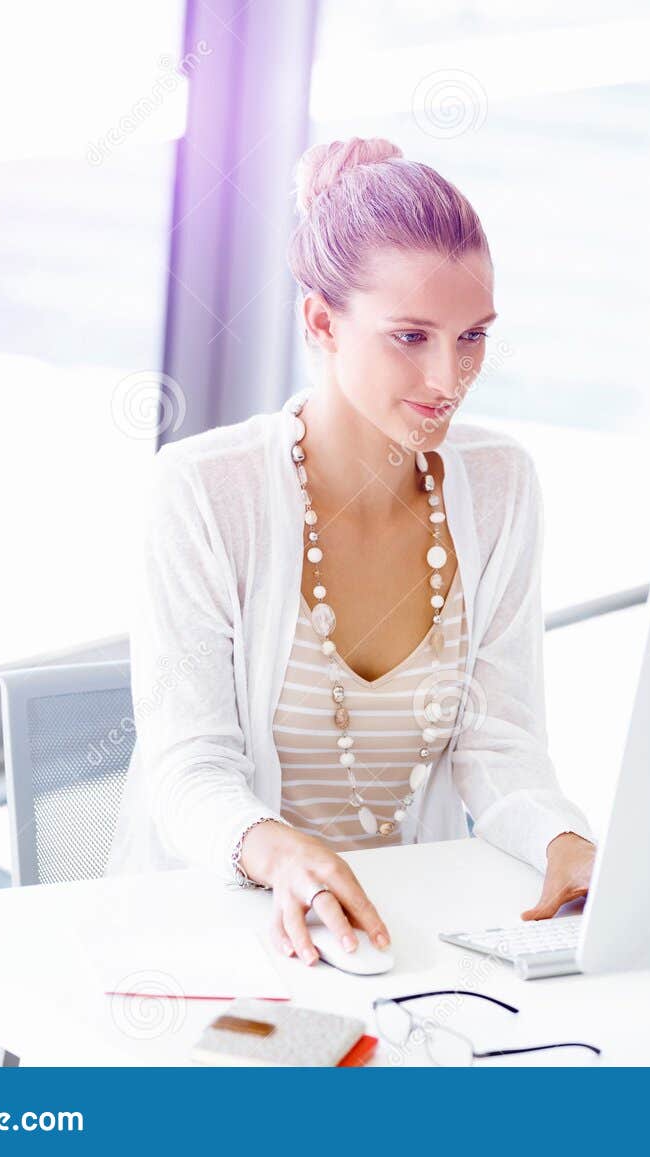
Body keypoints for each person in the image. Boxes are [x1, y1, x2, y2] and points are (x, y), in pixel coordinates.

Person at [107, 136, 597, 966]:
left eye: (472, 337)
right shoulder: (204, 490)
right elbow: (188, 769)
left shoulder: (500, 483)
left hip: (403, 934)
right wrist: (280, 854)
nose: (448, 378)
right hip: (219, 928)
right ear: (321, 322)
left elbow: (499, 745)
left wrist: (565, 841)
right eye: (410, 337)